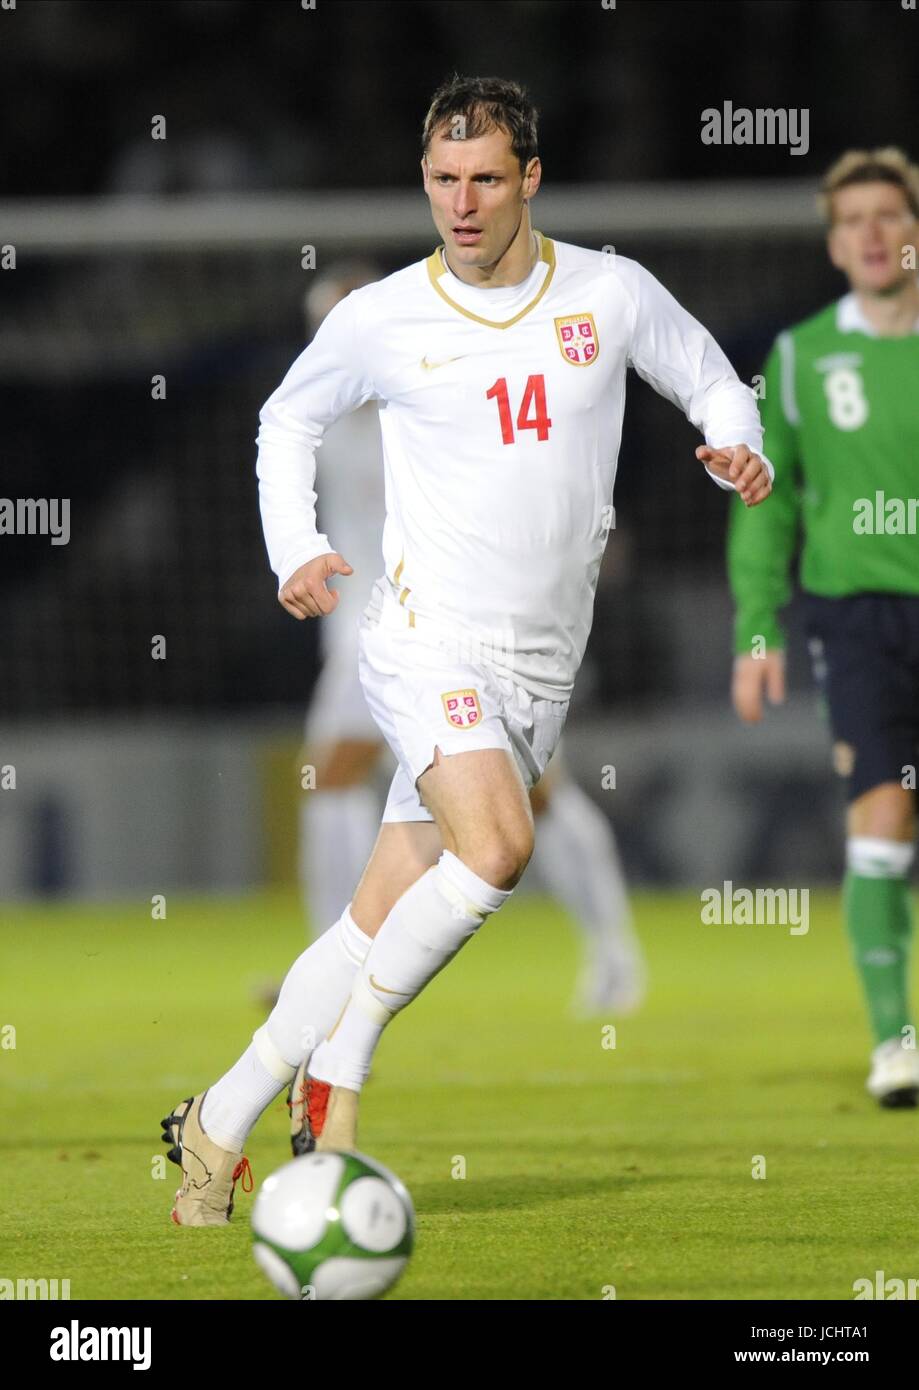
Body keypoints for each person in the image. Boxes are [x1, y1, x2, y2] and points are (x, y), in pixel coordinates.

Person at [162, 74, 771, 1225]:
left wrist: (739, 445)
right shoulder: (382, 315)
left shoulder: (609, 290)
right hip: (418, 636)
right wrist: (292, 544)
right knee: (497, 846)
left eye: (486, 177)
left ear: (529, 178)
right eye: (443, 179)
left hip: (540, 666)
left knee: (375, 911)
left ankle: (219, 1113)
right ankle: (337, 1079)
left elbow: (708, 378)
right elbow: (285, 417)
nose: (462, 201)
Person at [298, 263, 644, 1021]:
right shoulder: (326, 429)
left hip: (465, 625)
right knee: (333, 778)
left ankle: (614, 952)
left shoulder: (440, 397)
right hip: (373, 635)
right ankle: (335, 963)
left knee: (537, 795)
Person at [728, 147, 919, 1107]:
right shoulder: (799, 356)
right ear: (835, 243)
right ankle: (896, 1041)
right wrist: (756, 628)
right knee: (882, 815)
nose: (873, 235)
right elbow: (764, 502)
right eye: (852, 222)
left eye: (889, 216)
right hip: (857, 621)